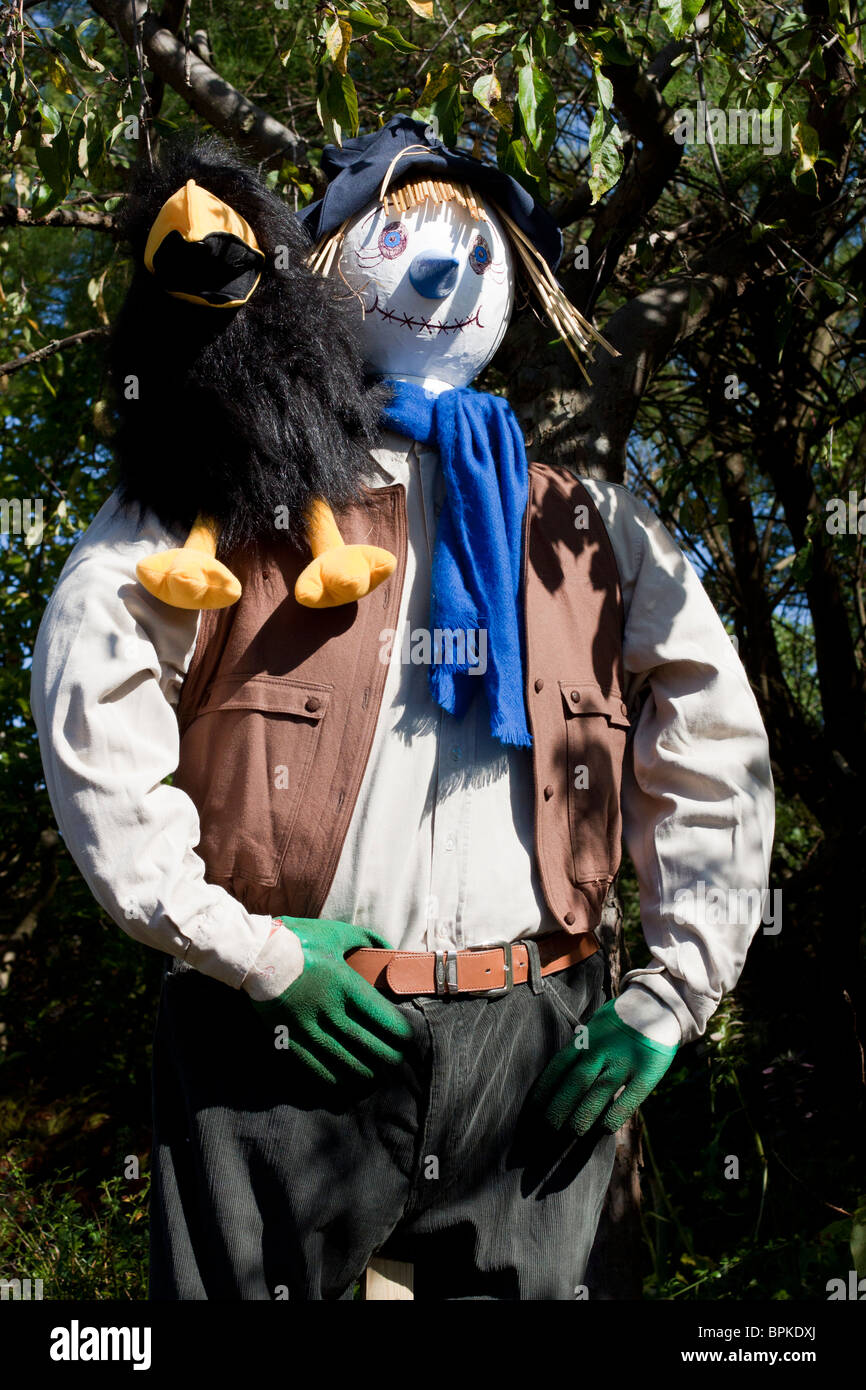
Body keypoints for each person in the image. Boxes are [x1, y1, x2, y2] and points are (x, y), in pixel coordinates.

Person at [30, 122, 774, 1301]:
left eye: (477, 246)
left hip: (537, 1035)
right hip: (274, 1031)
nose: (446, 269)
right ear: (318, 268)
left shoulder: (587, 521)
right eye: (403, 234)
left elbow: (713, 736)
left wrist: (669, 993)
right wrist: (254, 954)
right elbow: (94, 692)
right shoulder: (230, 482)